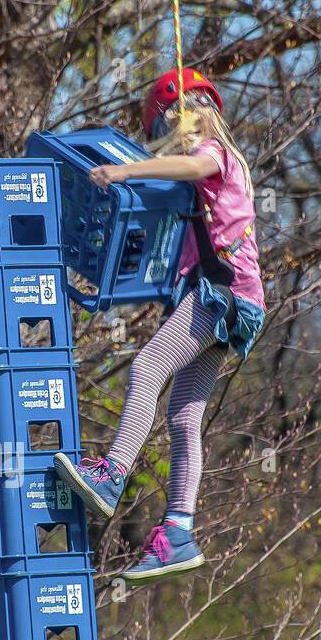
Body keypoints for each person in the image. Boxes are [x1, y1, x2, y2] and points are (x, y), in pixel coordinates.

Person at [54, 67, 266, 584]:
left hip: (221, 300)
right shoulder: (209, 175)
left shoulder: (218, 156)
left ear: (191, 115)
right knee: (183, 417)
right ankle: (179, 531)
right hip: (236, 308)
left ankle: (111, 474)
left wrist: (124, 172)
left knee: (147, 368)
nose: (173, 143)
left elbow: (190, 165)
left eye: (172, 129)